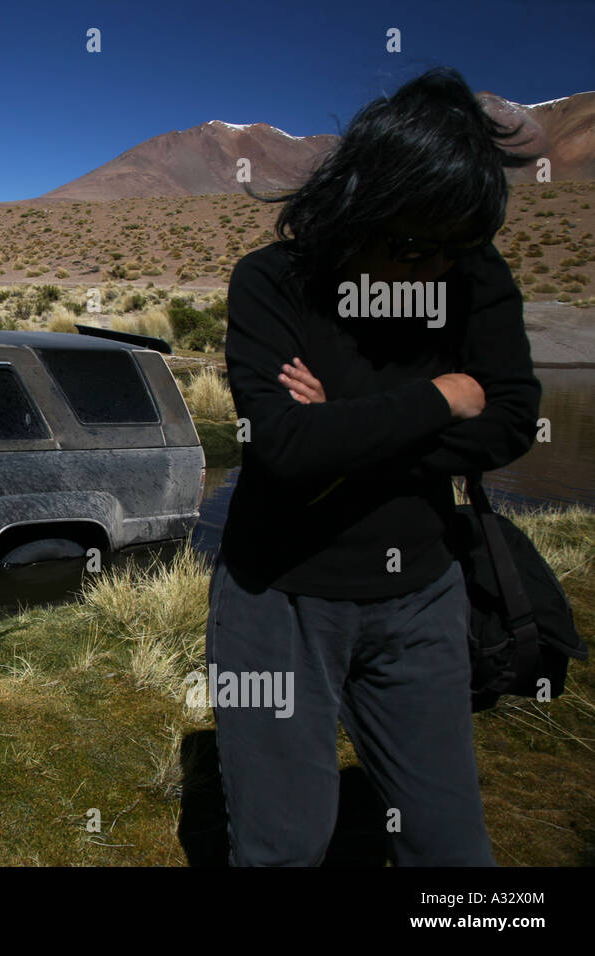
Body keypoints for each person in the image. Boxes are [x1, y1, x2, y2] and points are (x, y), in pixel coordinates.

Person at [210, 67, 541, 865]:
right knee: (283, 846)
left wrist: (342, 426)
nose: (435, 270)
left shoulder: (472, 270)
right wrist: (439, 396)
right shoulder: (270, 282)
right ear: (363, 205)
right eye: (415, 246)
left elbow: (512, 421)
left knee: (452, 847)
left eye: (451, 249)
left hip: (423, 594)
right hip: (278, 600)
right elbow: (283, 451)